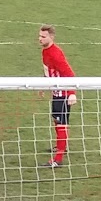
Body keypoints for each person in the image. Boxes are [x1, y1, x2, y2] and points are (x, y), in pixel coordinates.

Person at [38, 25, 78, 168]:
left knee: (61, 124)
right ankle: (61, 147)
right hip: (56, 93)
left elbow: (69, 74)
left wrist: (72, 93)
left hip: (63, 94)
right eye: (39, 36)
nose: (40, 39)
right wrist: (44, 85)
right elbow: (48, 70)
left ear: (51, 37)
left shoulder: (56, 53)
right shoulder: (45, 51)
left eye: (43, 37)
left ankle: (58, 159)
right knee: (57, 120)